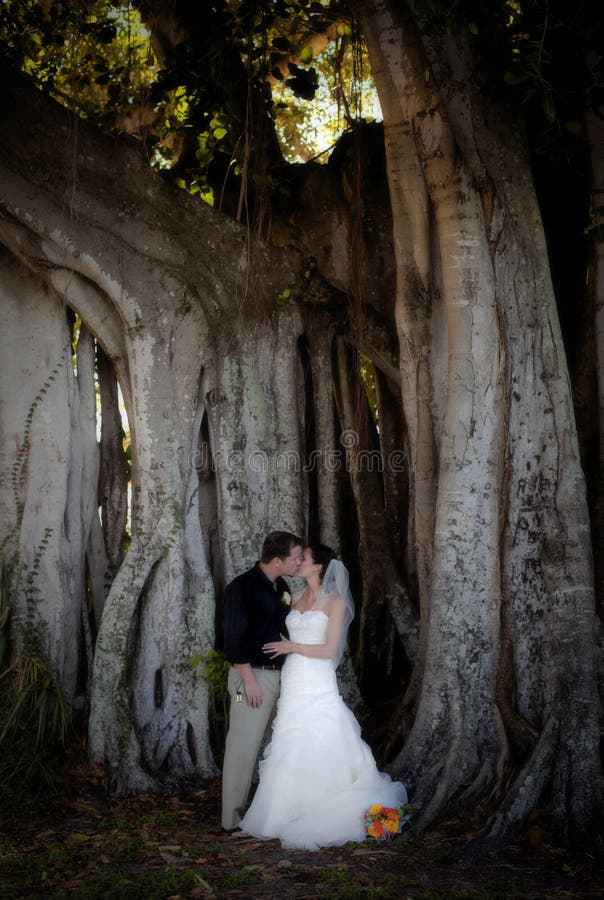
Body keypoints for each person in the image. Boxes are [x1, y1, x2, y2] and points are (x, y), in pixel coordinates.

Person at [240, 544, 407, 850]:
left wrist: (292, 647)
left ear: (318, 566)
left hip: (317, 677)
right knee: (290, 738)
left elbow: (329, 650)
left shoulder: (335, 601)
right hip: (292, 677)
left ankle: (318, 809)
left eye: (303, 558)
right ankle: (272, 819)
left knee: (320, 732)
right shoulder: (294, 597)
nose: (298, 562)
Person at [221, 530, 304, 833]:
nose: (299, 562)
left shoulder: (280, 586)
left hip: (278, 678)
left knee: (273, 747)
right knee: (242, 746)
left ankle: (265, 813)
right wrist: (249, 682)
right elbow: (233, 640)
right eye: (295, 558)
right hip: (249, 681)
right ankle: (231, 820)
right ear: (278, 560)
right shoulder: (241, 588)